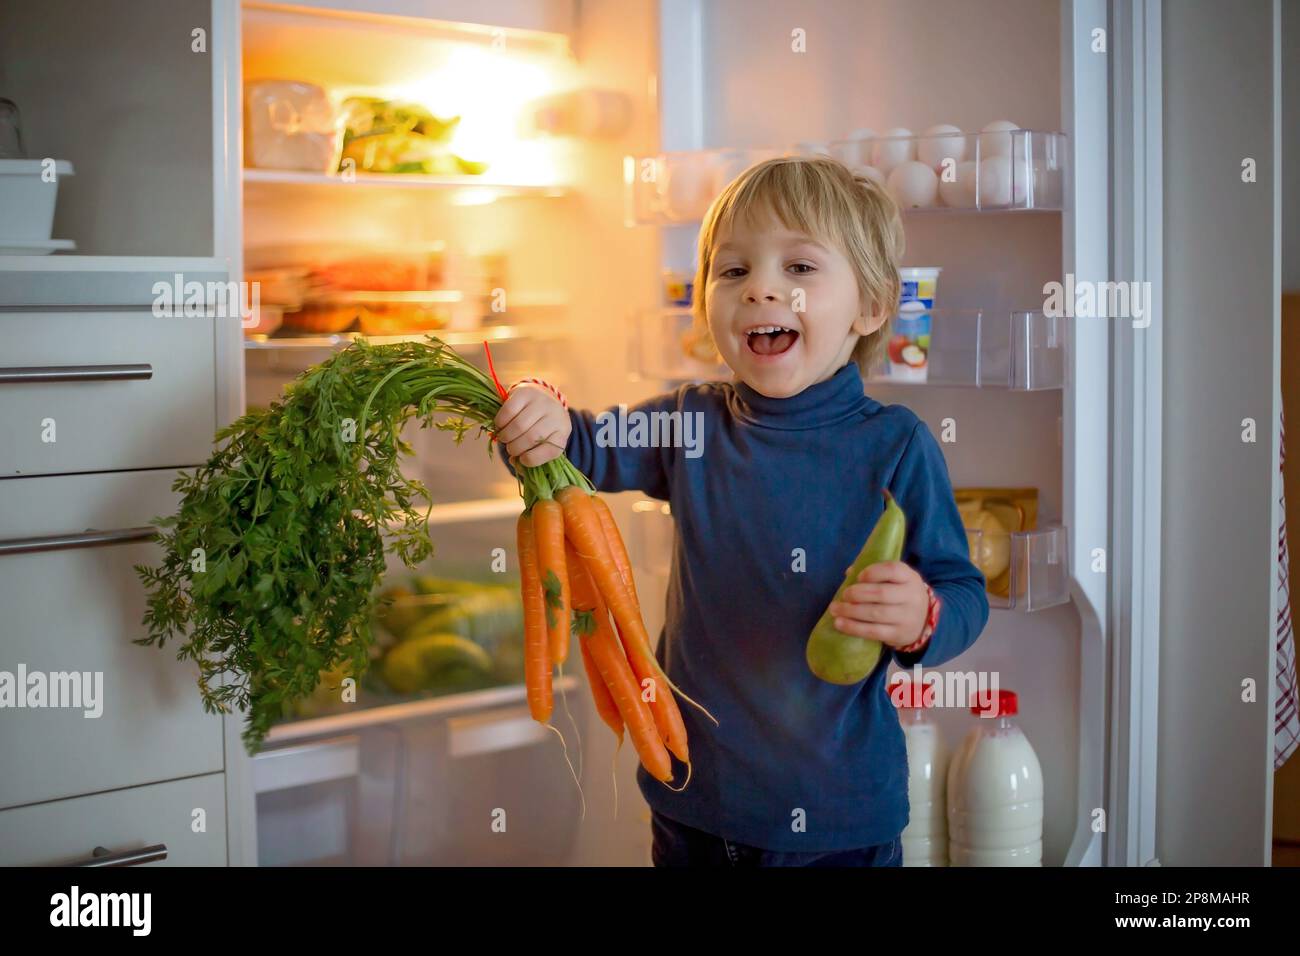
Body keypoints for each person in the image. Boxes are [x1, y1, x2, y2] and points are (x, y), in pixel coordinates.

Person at [491, 155, 989, 867]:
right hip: (693, 800)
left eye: (801, 269)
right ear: (704, 304)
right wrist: (539, 414)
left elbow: (964, 591)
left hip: (837, 817)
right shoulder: (689, 424)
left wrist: (923, 616)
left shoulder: (896, 445)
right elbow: (582, 446)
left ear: (874, 305)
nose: (761, 290)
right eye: (733, 272)